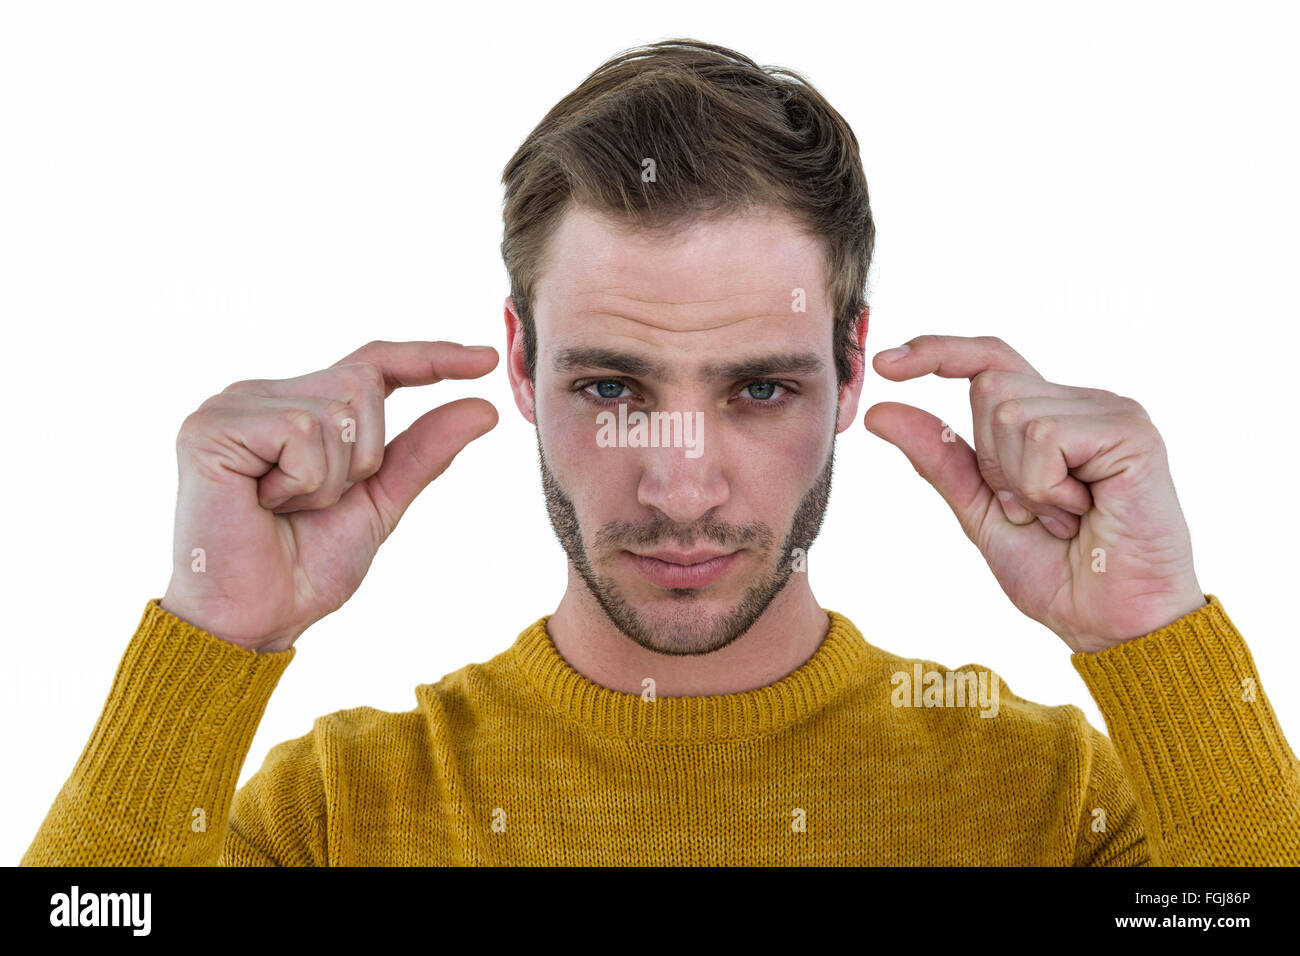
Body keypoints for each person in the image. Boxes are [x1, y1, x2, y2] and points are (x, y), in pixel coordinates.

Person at [21, 38, 1299, 866]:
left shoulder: (1050, 806)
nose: (681, 484)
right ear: (520, 366)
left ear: (852, 370)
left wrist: (1151, 636)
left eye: (756, 387)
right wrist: (209, 636)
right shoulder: (337, 818)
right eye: (612, 384)